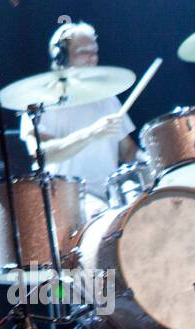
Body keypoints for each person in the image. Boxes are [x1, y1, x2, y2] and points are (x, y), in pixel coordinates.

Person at [19, 18, 140, 200]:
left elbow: (127, 151)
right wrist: (90, 134)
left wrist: (157, 162)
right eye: (84, 52)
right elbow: (42, 154)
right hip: (63, 201)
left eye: (95, 52)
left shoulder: (106, 97)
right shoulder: (39, 102)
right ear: (61, 56)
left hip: (109, 201)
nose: (92, 58)